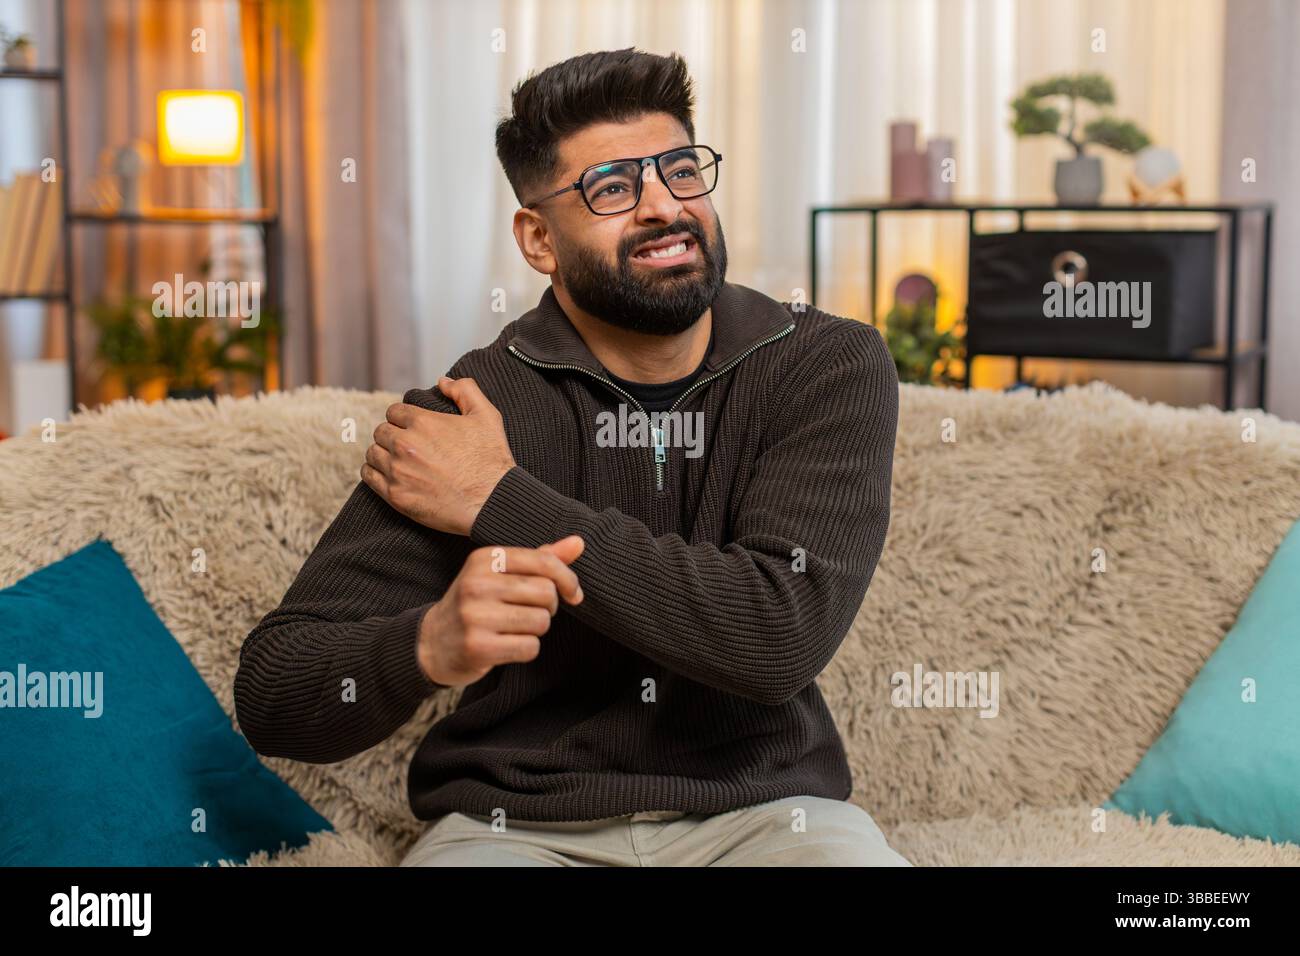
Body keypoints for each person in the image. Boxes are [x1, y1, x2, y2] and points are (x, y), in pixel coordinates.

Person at [233, 47, 906, 867]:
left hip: (769, 817)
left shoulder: (824, 365)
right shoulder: (477, 407)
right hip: (514, 828)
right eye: (614, 187)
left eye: (682, 170)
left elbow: (776, 637)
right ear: (538, 238)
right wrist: (428, 644)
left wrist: (497, 498)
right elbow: (275, 689)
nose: (664, 206)